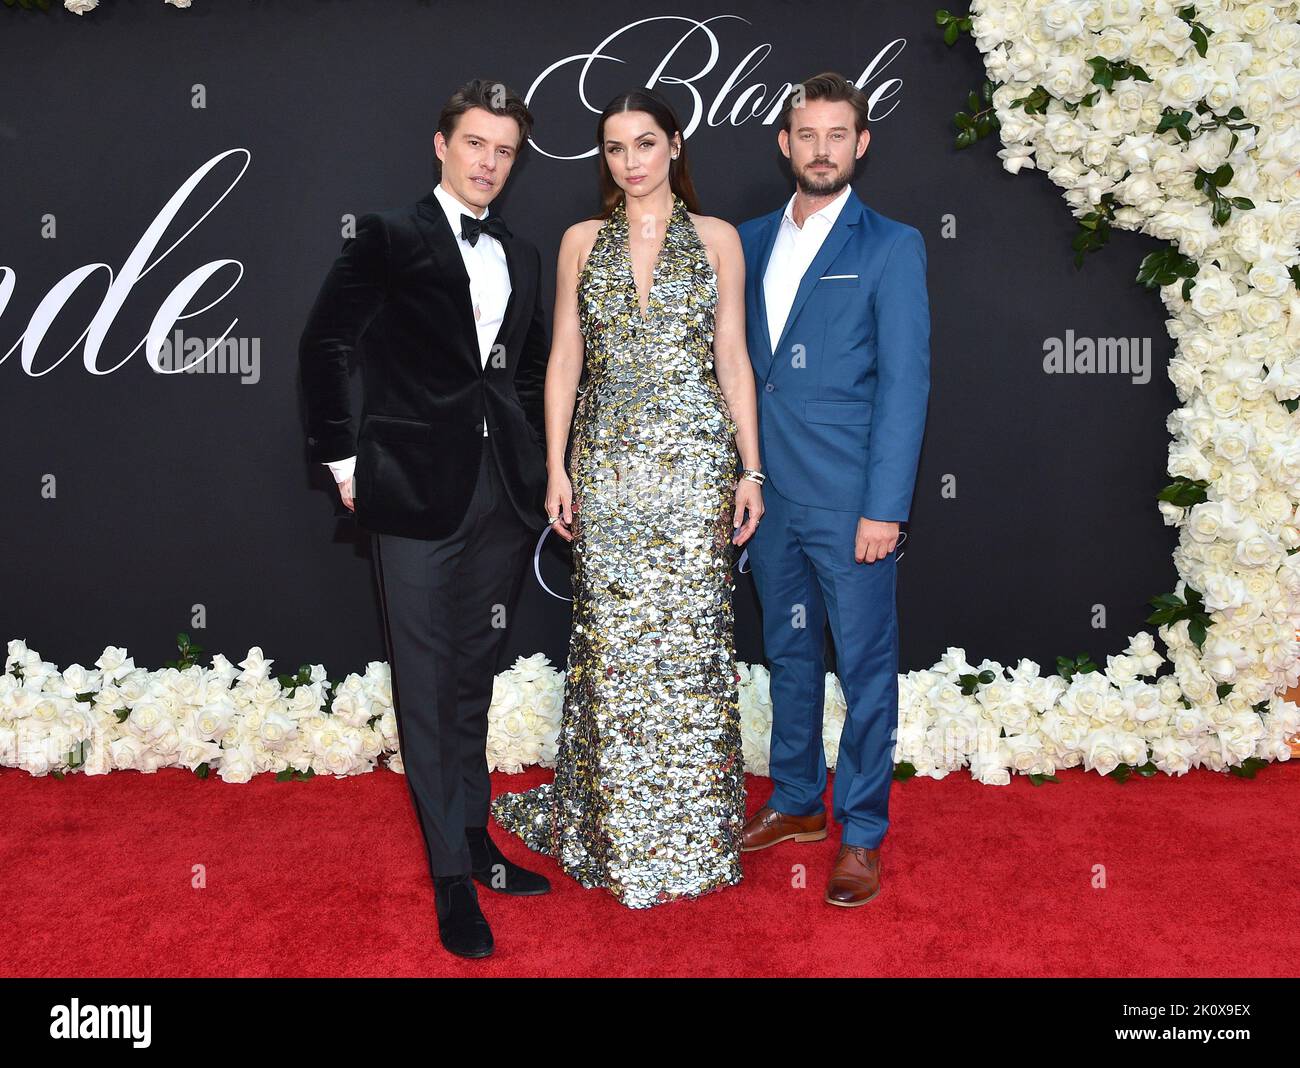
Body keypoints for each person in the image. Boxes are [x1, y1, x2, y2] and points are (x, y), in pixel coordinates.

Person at [298, 78, 553, 959]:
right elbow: (325, 344)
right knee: (425, 676)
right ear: (440, 146)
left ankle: (475, 838)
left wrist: (527, 456)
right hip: (408, 487)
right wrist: (341, 461)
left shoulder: (520, 255)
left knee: (472, 673)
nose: (489, 162)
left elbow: (523, 371)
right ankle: (451, 876)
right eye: (476, 143)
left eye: (505, 151)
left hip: (500, 496)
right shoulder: (387, 236)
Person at [491, 88, 764, 908]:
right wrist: (557, 466)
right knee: (612, 650)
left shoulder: (717, 239)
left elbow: (734, 359)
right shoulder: (582, 241)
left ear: (675, 146)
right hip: (606, 465)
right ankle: (610, 829)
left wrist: (752, 470)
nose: (631, 160)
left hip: (694, 468)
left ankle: (694, 833)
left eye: (645, 143)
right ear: (603, 158)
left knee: (688, 647)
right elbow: (565, 358)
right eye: (615, 148)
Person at [737, 72, 931, 907]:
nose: (821, 150)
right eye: (806, 135)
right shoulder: (740, 242)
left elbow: (905, 385)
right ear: (785, 144)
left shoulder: (891, 245)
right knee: (786, 655)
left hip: (852, 504)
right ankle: (794, 802)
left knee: (863, 669)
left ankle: (861, 833)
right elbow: (739, 374)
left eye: (837, 135)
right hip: (764, 499)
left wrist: (885, 507)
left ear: (861, 144)